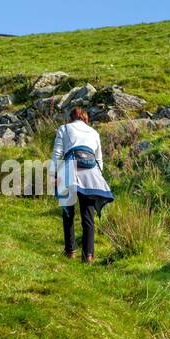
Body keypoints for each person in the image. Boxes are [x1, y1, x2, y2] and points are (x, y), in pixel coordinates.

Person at [52, 106, 113, 262]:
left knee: (68, 213)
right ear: (86, 119)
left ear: (72, 118)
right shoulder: (94, 133)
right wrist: (97, 178)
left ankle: (70, 251)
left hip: (69, 170)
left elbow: (57, 153)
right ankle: (88, 256)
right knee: (88, 216)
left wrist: (54, 174)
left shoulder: (64, 128)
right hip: (90, 174)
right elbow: (99, 160)